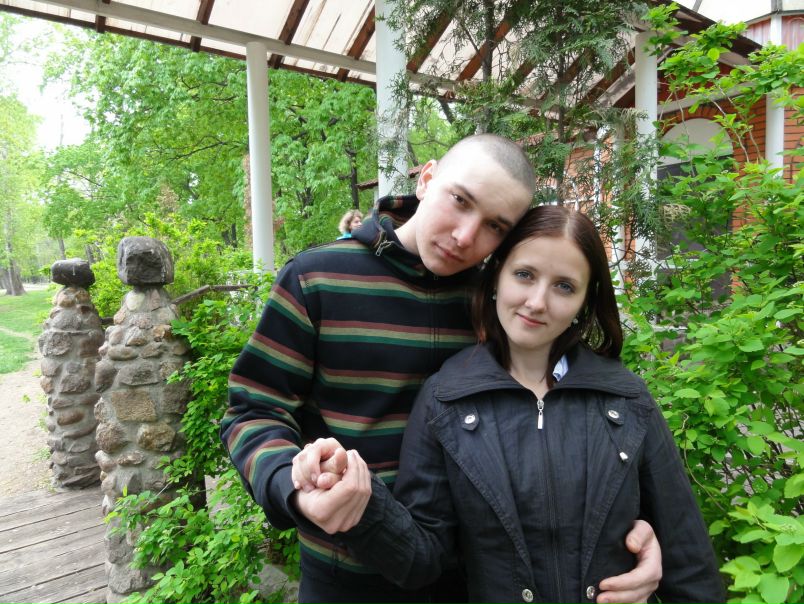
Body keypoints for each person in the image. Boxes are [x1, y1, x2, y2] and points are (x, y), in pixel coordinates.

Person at [222, 134, 662, 603]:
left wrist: (636, 540)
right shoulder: (317, 278)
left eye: (495, 225)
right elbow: (253, 410)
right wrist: (292, 484)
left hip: (479, 579)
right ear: (427, 179)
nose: (466, 236)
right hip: (346, 574)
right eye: (460, 201)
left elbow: (569, 423)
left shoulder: (505, 303)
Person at [296, 205, 724, 604]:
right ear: (496, 277)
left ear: (584, 301)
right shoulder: (445, 398)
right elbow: (423, 558)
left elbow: (689, 561)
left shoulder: (626, 399)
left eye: (564, 286)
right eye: (524, 274)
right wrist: (361, 502)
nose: (537, 302)